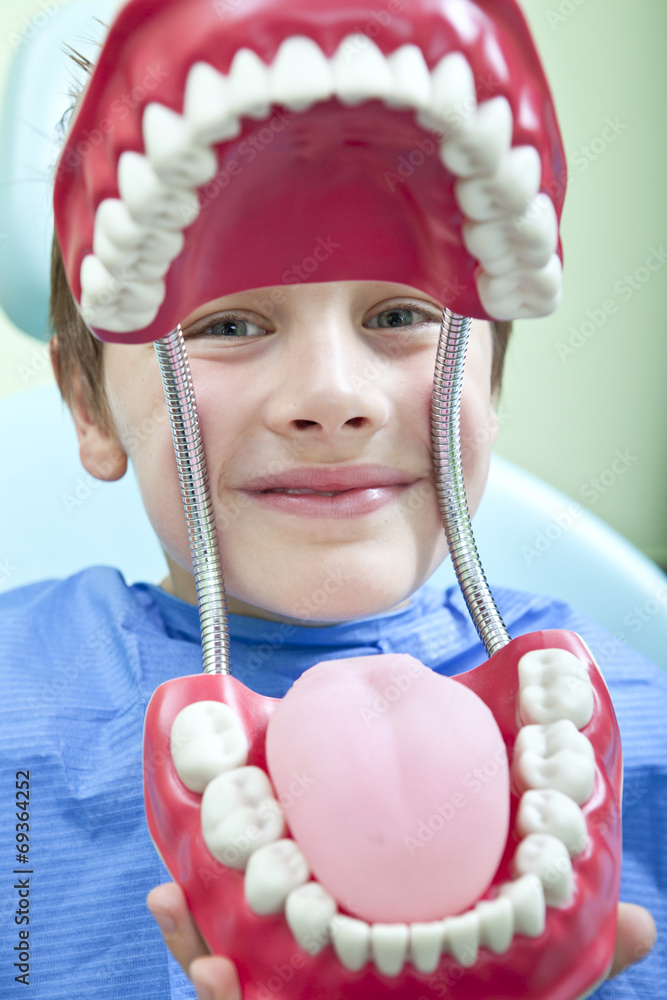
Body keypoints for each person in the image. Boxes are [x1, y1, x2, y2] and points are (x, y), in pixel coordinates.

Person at [1, 0, 664, 997]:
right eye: (228, 324)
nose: (333, 399)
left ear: (487, 385)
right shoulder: (20, 707)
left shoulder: (637, 729)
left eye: (399, 314)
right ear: (88, 406)